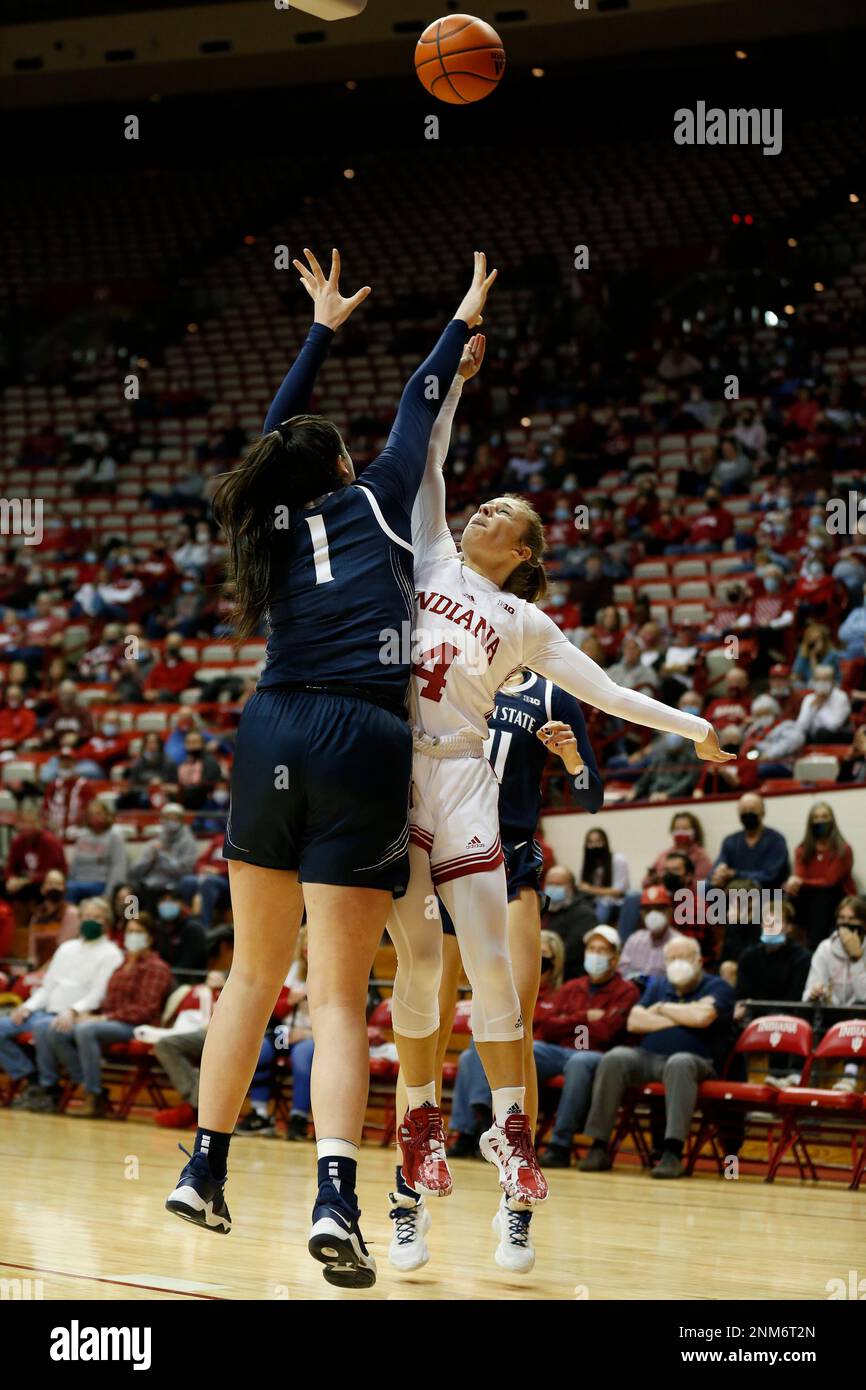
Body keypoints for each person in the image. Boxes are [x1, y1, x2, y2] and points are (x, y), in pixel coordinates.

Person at [164, 247, 493, 1291]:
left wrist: (317, 331)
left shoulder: (266, 521)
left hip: (269, 727)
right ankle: (335, 1200)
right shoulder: (384, 498)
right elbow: (420, 401)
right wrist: (462, 312)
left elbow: (278, 438)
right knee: (339, 998)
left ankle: (203, 1173)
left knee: (250, 975)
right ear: (346, 469)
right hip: (359, 735)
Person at [383, 327, 731, 1251]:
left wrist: (697, 730)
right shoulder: (429, 556)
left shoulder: (526, 622)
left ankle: (511, 1143)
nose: (478, 510)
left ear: (525, 547)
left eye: (497, 510)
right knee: (416, 966)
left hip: (461, 777)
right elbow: (428, 463)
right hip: (393, 770)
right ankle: (417, 1132)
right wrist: (452, 381)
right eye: (481, 502)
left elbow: (610, 694)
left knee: (495, 973)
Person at [390, 672, 602, 1273]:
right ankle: (407, 1193)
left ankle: (515, 1199)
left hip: (508, 861)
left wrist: (570, 760)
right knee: (425, 1027)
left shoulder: (552, 691)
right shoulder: (444, 667)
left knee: (515, 1022)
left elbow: (591, 795)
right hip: (436, 852)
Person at [578, 935, 736, 1178]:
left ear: (698, 960)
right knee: (614, 1058)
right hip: (648, 1057)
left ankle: (672, 1152)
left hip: (698, 1062)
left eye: (682, 957)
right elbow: (634, 1021)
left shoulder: (718, 986)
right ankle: (598, 1146)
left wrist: (661, 1009)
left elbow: (702, 1018)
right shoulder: (659, 985)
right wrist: (686, 1013)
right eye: (671, 958)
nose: (676, 963)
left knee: (679, 1062)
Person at [42, 913, 172, 1117]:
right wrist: (87, 1013)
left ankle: (92, 1096)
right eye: (130, 931)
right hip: (110, 1021)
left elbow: (144, 1010)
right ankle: (86, 1082)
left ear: (151, 937)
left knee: (86, 1029)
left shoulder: (157, 967)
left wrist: (102, 1018)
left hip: (137, 1027)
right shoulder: (122, 964)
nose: (133, 936)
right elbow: (106, 1000)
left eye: (139, 932)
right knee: (56, 1028)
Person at [1, 899, 123, 1113]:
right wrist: (27, 1007)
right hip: (43, 1011)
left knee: (46, 1027)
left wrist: (73, 1010)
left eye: (96, 917)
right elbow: (48, 986)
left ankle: (50, 1087)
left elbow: (99, 993)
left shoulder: (111, 953)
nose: (90, 921)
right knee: (2, 1026)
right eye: (85, 916)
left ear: (107, 922)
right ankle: (31, 1077)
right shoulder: (67, 948)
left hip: (76, 1015)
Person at [535, 926, 640, 1168]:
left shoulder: (627, 991)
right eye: (591, 949)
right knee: (527, 1051)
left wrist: (569, 1020)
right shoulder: (573, 986)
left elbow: (607, 1031)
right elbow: (547, 1027)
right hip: (559, 1051)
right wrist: (584, 1016)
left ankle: (560, 1145)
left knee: (579, 1062)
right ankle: (502, 1132)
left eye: (602, 950)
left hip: (598, 1055)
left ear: (614, 958)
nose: (595, 954)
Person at [785, 802, 856, 950]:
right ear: (810, 822)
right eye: (815, 817)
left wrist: (800, 881)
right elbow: (799, 876)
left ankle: (814, 948)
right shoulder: (802, 849)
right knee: (785, 895)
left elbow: (830, 881)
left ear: (832, 820)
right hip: (810, 898)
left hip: (837, 896)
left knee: (821, 897)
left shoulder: (843, 849)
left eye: (824, 816)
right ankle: (775, 946)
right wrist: (791, 884)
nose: (820, 821)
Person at [734, 900, 811, 1011]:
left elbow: (794, 1001)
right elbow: (742, 996)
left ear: (789, 927)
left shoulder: (802, 958)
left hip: (786, 1019)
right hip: (753, 1018)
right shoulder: (748, 957)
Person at [711, 793, 790, 891]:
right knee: (706, 886)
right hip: (734, 894)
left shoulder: (776, 840)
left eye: (752, 810)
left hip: (768, 894)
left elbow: (770, 876)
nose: (747, 813)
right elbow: (717, 867)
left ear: (763, 812)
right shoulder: (730, 841)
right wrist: (719, 874)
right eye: (743, 810)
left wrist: (734, 874)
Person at [803, 896, 866, 1007]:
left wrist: (856, 960)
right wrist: (816, 994)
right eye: (841, 918)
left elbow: (863, 997)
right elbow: (808, 994)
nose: (846, 924)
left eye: (852, 919)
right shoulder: (825, 948)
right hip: (831, 1015)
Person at [130, 803, 198, 905]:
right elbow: (134, 871)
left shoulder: (188, 841)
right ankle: (133, 919)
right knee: (129, 892)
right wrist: (150, 859)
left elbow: (186, 871)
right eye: (168, 818)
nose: (171, 822)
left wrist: (164, 856)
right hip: (151, 883)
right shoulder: (155, 842)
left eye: (175, 819)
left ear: (181, 821)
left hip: (174, 884)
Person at [66, 800, 129, 904]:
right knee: (67, 888)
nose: (95, 818)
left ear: (107, 815)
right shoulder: (82, 836)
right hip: (77, 882)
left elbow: (118, 867)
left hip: (101, 883)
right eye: (91, 814)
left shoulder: (115, 837)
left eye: (98, 814)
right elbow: (75, 864)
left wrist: (109, 893)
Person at [619, 885, 685, 983]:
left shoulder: (681, 944)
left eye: (659, 909)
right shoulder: (634, 939)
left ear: (670, 911)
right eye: (648, 910)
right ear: (641, 913)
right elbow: (622, 972)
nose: (653, 914)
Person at [543, 864, 599, 980]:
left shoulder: (584, 914)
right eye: (550, 884)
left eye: (558, 885)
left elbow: (570, 952)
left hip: (569, 974)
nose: (553, 888)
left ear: (571, 887)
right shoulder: (542, 908)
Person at [4, 806, 67, 906]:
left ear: (39, 824)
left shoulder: (49, 842)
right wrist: (10, 879)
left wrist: (24, 880)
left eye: (31, 823)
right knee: (6, 887)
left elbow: (50, 872)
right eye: (24, 823)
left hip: (48, 881)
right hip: (25, 880)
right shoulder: (18, 841)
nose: (27, 827)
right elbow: (10, 866)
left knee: (37, 889)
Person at [575, 826, 630, 922]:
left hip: (614, 903)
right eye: (590, 842)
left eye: (598, 841)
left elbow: (618, 891)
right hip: (592, 902)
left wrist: (590, 889)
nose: (594, 845)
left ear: (605, 842)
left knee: (602, 905)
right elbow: (583, 886)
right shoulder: (587, 864)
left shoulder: (617, 859)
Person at [795, 666, 852, 742]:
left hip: (836, 736)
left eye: (825, 680)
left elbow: (833, 726)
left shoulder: (841, 697)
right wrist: (813, 707)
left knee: (822, 733)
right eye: (818, 680)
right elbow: (800, 726)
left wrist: (821, 704)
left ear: (832, 682)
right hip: (814, 736)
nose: (821, 683)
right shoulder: (809, 698)